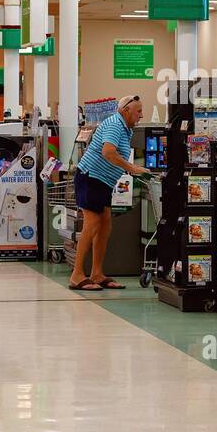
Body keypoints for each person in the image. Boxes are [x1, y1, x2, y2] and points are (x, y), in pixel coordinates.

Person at [69, 95, 149, 292]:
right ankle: (77, 274)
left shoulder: (125, 127)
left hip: (102, 181)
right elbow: (108, 152)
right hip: (91, 177)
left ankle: (97, 273)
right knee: (92, 224)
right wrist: (132, 167)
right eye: (138, 111)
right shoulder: (115, 124)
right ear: (125, 111)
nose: (141, 115)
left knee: (105, 225)